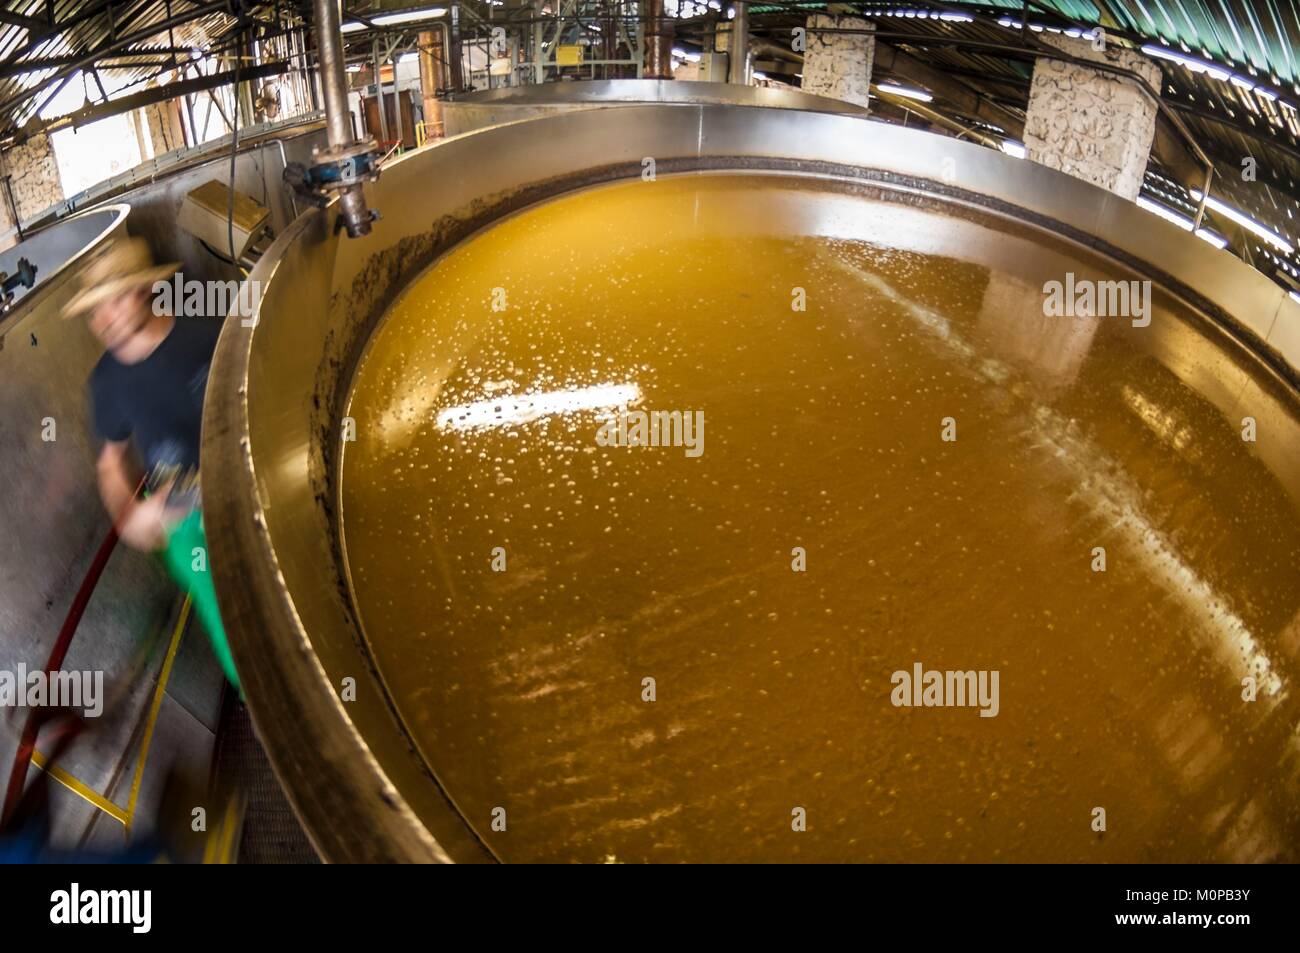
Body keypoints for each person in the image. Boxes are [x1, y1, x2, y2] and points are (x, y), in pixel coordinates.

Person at [64, 237, 240, 694]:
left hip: (245, 478)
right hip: (182, 511)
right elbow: (109, 463)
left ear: (145, 290)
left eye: (117, 297)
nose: (107, 318)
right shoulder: (105, 383)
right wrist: (128, 515)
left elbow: (255, 386)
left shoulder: (205, 331)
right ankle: (259, 697)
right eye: (95, 309)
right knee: (231, 620)